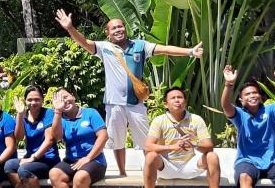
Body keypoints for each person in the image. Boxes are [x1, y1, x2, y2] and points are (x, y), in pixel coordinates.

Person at [55, 9, 203, 176]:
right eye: (114, 28)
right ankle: (122, 173)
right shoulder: (104, 48)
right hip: (114, 104)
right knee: (117, 141)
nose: (118, 30)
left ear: (125, 28)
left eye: (120, 26)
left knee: (147, 141)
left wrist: (190, 51)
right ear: (108, 33)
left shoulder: (140, 46)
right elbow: (83, 42)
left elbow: (165, 49)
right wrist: (70, 28)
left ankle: (152, 172)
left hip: (136, 104)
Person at [143, 87, 221, 188]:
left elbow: (209, 146)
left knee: (212, 156)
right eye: (173, 98)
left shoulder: (196, 119)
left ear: (185, 102)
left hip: (190, 166)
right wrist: (172, 147)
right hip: (166, 167)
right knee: (150, 156)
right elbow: (148, 147)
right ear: (166, 104)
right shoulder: (159, 120)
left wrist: (194, 144)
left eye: (180, 97)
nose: (177, 100)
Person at [48, 89, 108, 188]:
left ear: (73, 96)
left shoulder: (90, 113)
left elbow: (103, 136)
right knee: (54, 174)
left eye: (65, 97)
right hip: (71, 161)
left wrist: (88, 158)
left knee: (80, 178)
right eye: (60, 100)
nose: (64, 101)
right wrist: (58, 111)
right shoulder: (60, 119)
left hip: (95, 160)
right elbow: (57, 137)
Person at [4, 85, 59, 188]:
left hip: (48, 160)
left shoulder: (48, 113)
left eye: (37, 99)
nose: (33, 103)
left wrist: (32, 158)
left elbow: (49, 140)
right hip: (30, 158)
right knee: (9, 165)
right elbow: (19, 137)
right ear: (25, 100)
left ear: (42, 100)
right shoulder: (23, 115)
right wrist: (19, 115)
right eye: (29, 100)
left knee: (24, 169)